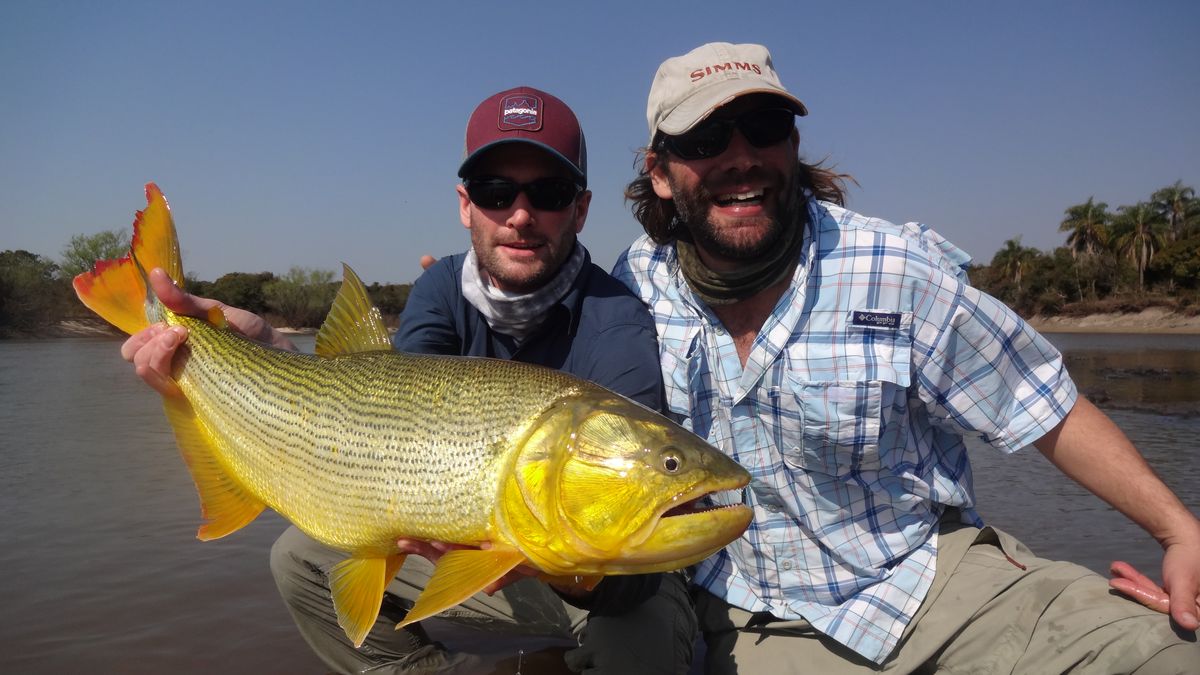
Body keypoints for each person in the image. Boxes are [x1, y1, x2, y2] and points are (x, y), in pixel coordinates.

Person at [611, 42, 1200, 673]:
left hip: (935, 585)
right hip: (751, 613)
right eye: (704, 140)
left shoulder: (894, 269)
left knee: (1170, 653)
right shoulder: (633, 289)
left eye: (764, 128)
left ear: (791, 145)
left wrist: (1178, 532)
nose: (742, 157)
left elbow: (1043, 404)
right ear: (661, 172)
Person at [121, 86, 696, 674]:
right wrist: (266, 352)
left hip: (586, 574)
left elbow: (633, 578)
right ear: (465, 205)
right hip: (460, 544)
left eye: (548, 193)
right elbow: (376, 408)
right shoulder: (442, 289)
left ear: (580, 209)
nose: (520, 215)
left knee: (639, 641)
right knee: (298, 558)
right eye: (497, 192)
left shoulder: (616, 318)